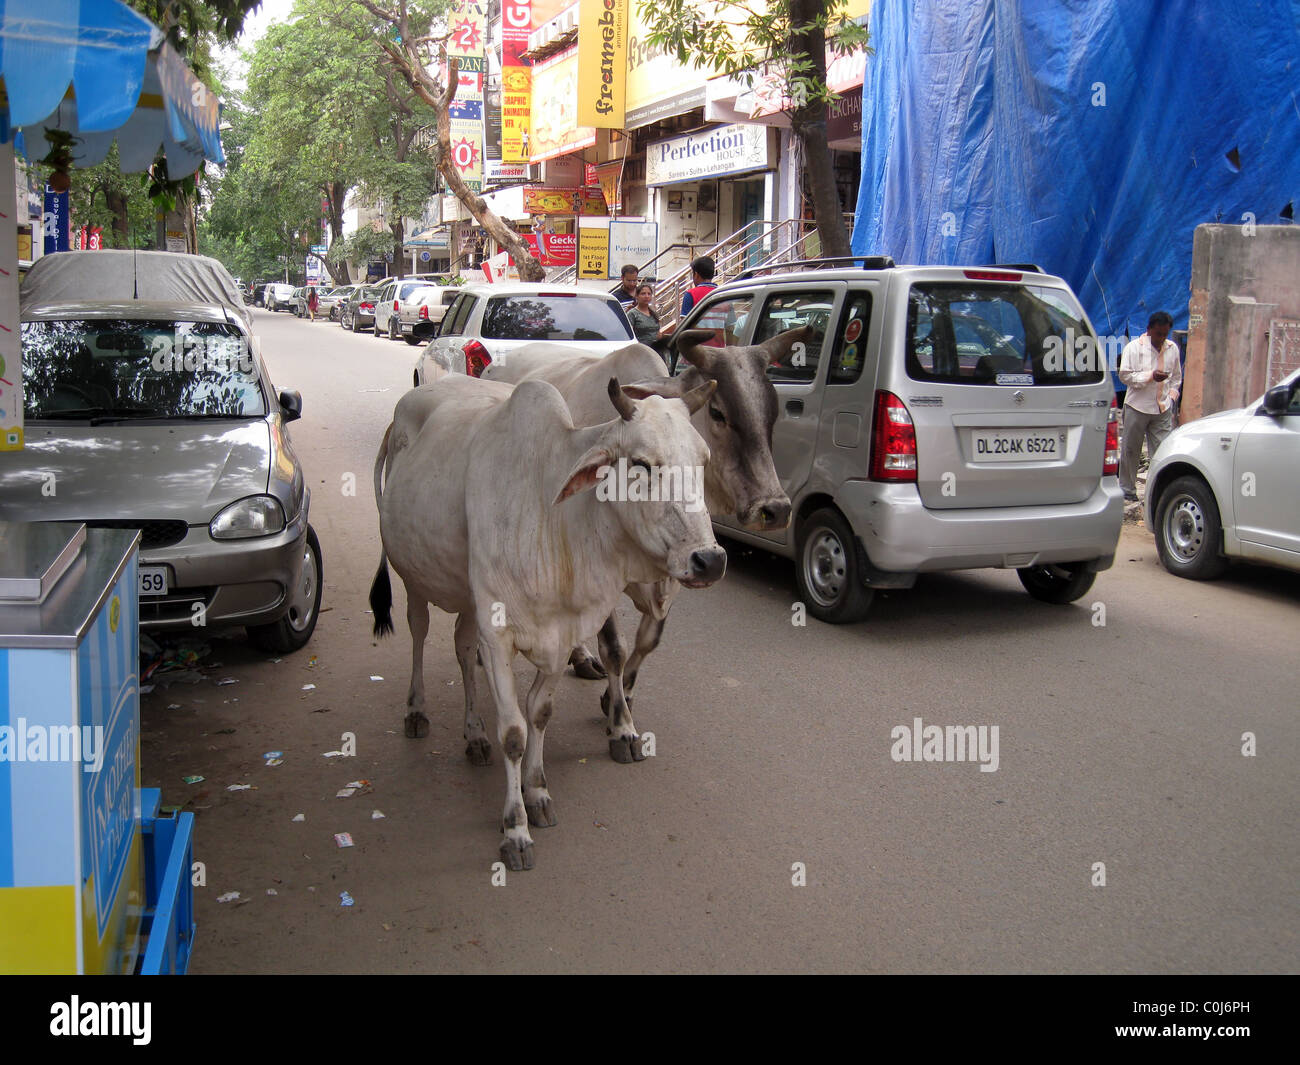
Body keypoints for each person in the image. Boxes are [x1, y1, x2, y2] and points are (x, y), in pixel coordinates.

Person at [1117, 310, 1181, 502]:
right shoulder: (1134, 348)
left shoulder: (1172, 348)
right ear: (1149, 330)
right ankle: (1127, 490)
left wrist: (1171, 397)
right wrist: (1150, 377)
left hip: (1162, 408)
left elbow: (1177, 377)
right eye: (1158, 334)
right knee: (1130, 450)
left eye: (1165, 334)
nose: (1161, 338)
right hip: (1137, 406)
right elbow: (1124, 376)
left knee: (1161, 452)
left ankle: (1156, 493)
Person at [626, 282, 664, 351]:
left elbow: (658, 333)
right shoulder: (632, 314)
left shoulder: (653, 313)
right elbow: (629, 336)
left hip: (656, 351)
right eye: (643, 294)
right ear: (637, 296)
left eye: (649, 294)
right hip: (640, 352)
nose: (646, 296)